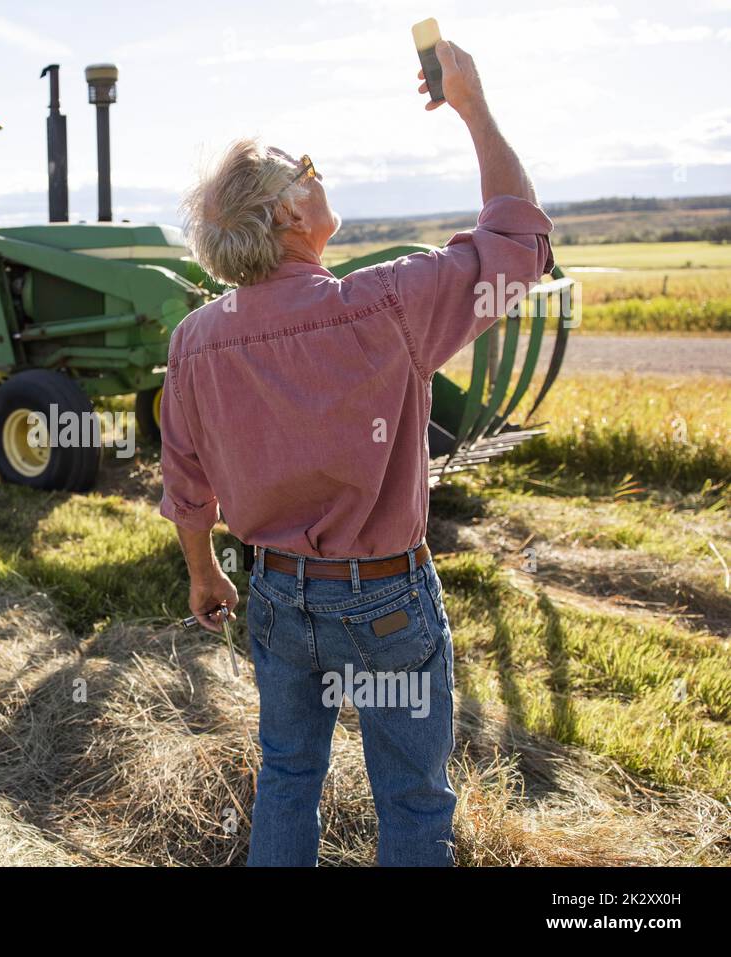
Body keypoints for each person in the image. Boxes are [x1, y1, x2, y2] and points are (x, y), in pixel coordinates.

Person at [161, 41, 553, 866]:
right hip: (386, 601)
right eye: (308, 166)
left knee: (287, 775)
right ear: (290, 217)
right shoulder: (386, 307)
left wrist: (204, 572)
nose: (320, 171)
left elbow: (186, 480)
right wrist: (472, 105)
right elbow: (517, 244)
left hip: (271, 596)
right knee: (411, 798)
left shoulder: (194, 342)